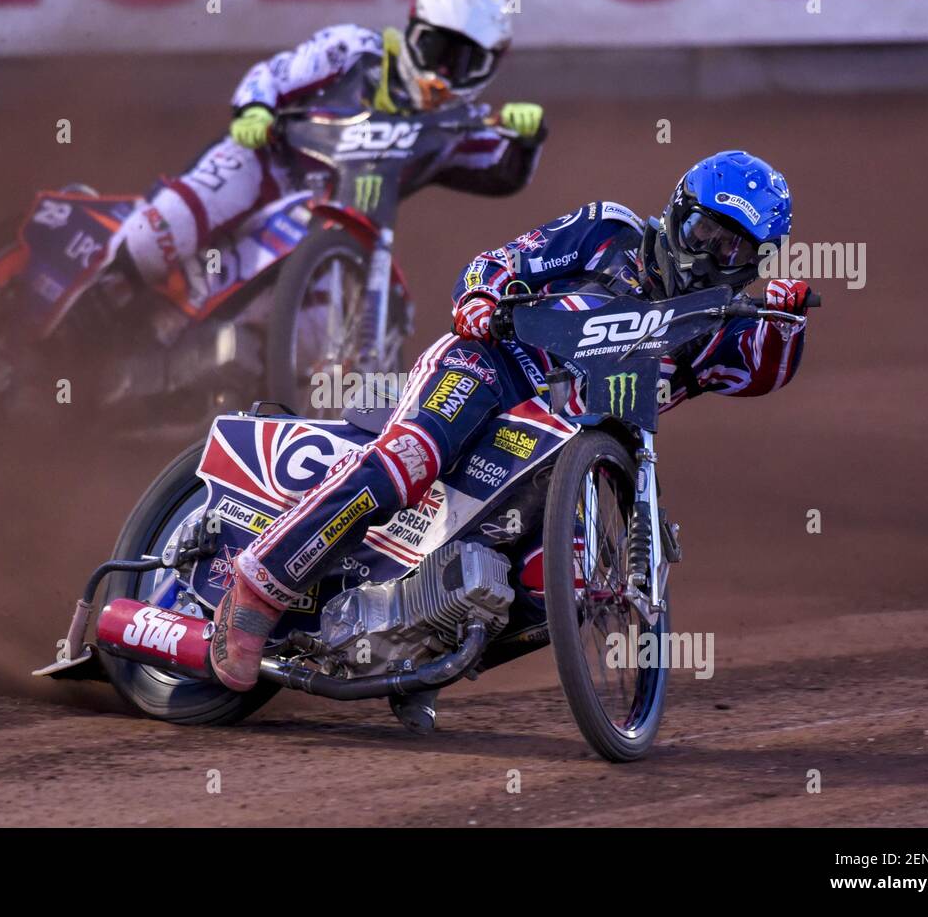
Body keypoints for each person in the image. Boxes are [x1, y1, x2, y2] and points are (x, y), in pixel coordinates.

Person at [208, 149, 813, 730]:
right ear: (680, 211)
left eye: (733, 247)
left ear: (756, 263)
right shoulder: (611, 231)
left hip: (568, 448)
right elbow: (501, 261)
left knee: (561, 581)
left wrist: (789, 318)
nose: (711, 254)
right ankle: (261, 582)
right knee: (413, 458)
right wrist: (479, 296)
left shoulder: (720, 325)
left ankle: (415, 660)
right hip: (494, 367)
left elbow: (764, 370)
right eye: (707, 230)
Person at [102, 0, 547, 301]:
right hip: (263, 167)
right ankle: (93, 306)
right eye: (437, 50)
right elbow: (273, 75)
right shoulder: (352, 50)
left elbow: (500, 173)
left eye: (467, 62)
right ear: (413, 32)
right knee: (155, 237)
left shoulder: (458, 125)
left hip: (329, 234)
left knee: (320, 326)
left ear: (490, 67)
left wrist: (527, 138)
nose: (445, 72)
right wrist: (255, 110)